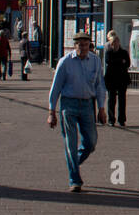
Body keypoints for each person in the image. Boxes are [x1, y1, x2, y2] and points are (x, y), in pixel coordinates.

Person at [46, 30, 107, 191]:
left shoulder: (95, 61)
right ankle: (75, 179)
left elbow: (100, 85)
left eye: (86, 45)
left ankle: (73, 162)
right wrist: (51, 112)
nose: (83, 48)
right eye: (80, 45)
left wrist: (102, 108)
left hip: (87, 105)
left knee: (91, 142)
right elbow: (55, 88)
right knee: (70, 143)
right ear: (75, 45)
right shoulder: (65, 62)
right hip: (69, 105)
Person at [104, 30, 131, 127]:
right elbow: (108, 62)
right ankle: (111, 119)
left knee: (122, 100)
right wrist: (120, 61)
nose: (114, 45)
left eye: (115, 42)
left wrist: (118, 62)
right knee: (111, 100)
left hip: (122, 79)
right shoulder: (109, 52)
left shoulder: (124, 52)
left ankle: (121, 119)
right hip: (111, 79)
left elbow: (127, 63)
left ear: (119, 42)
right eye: (112, 43)